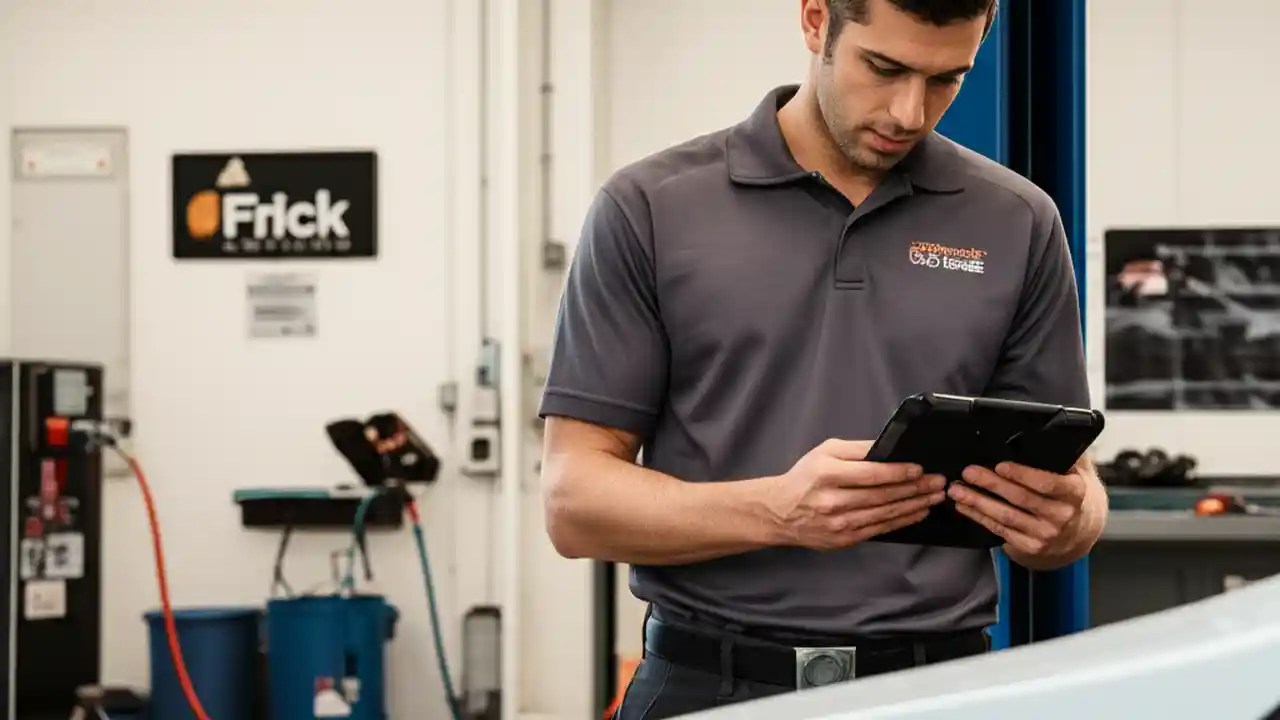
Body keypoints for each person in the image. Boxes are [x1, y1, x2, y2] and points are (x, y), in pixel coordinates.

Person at [537, 0, 1109, 716]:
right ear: (815, 21)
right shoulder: (650, 208)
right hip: (707, 688)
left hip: (937, 690)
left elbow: (1073, 492)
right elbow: (573, 502)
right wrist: (776, 512)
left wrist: (1072, 519)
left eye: (946, 80)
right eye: (885, 68)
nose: (909, 111)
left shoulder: (1017, 222)